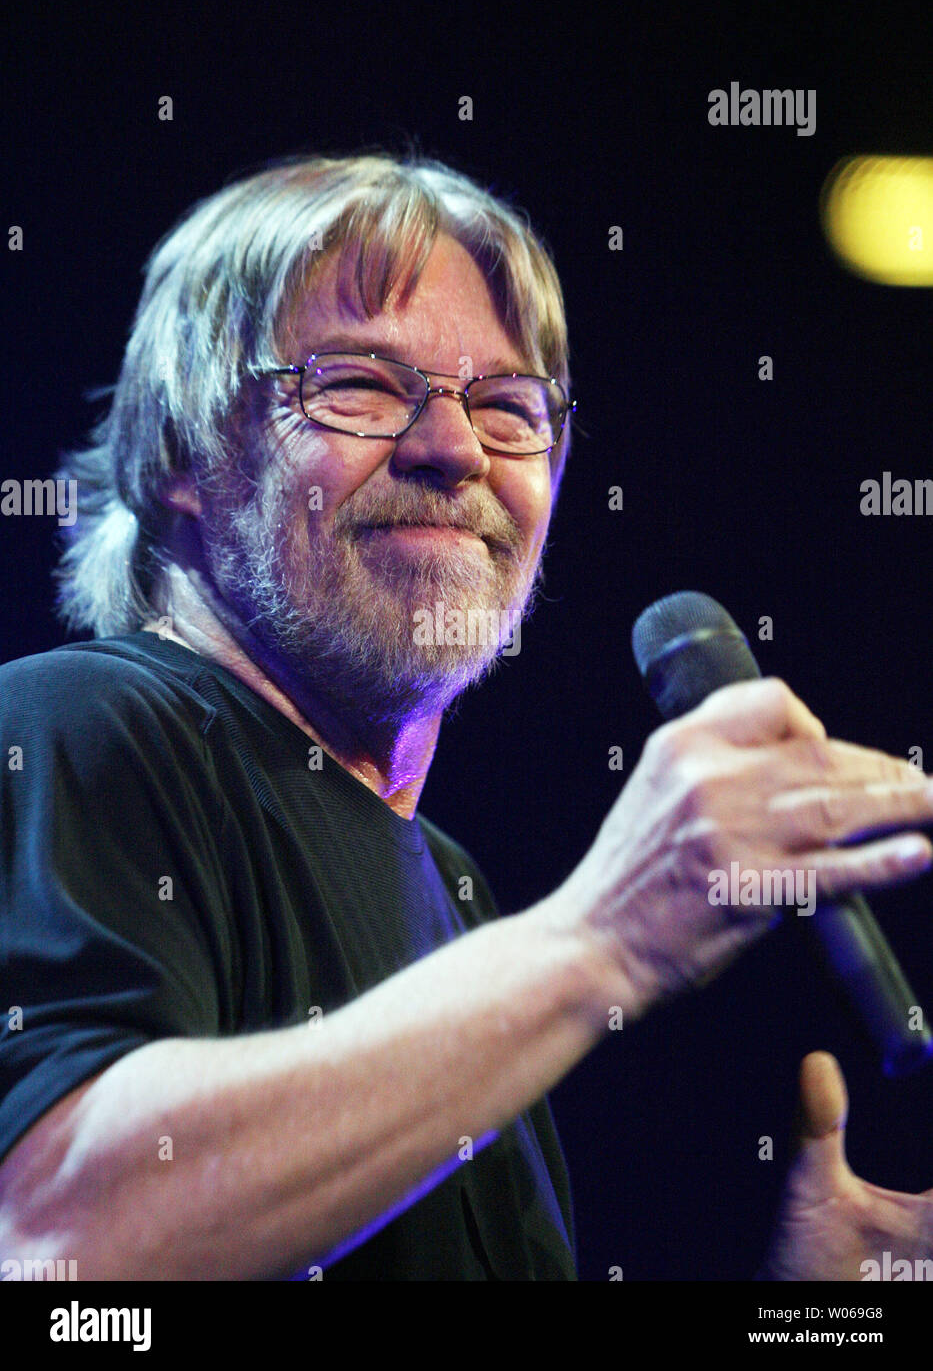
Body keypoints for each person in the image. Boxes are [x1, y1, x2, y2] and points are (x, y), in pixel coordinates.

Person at [1, 152, 931, 1281]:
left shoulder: (455, 885)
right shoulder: (74, 723)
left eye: (506, 405)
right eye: (358, 384)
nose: (454, 450)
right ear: (186, 451)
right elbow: (50, 1238)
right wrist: (601, 939)